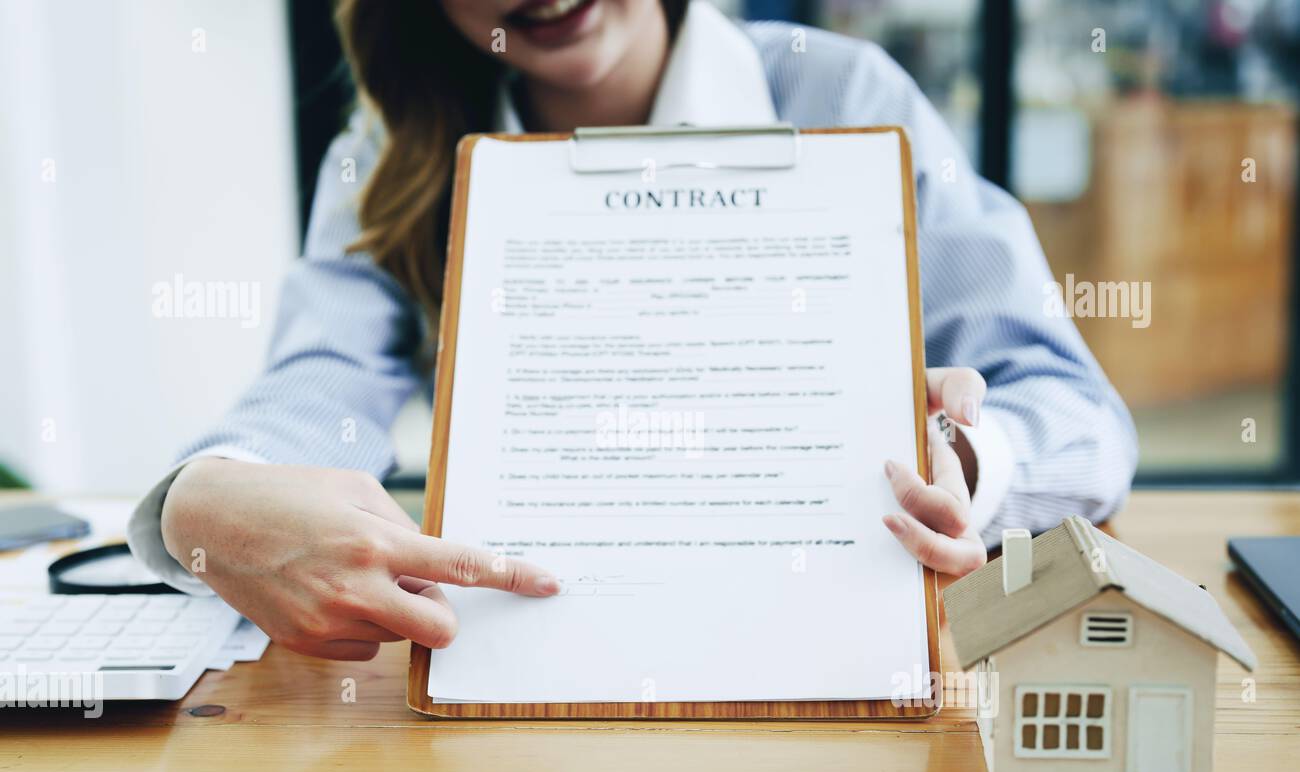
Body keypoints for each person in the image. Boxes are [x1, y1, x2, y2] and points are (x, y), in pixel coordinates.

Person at [128, 0, 1137, 662]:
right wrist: (202, 500)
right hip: (533, 655)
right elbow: (319, 380)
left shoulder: (846, 97)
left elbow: (1082, 416)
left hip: (826, 646)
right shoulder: (394, 156)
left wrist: (967, 459)